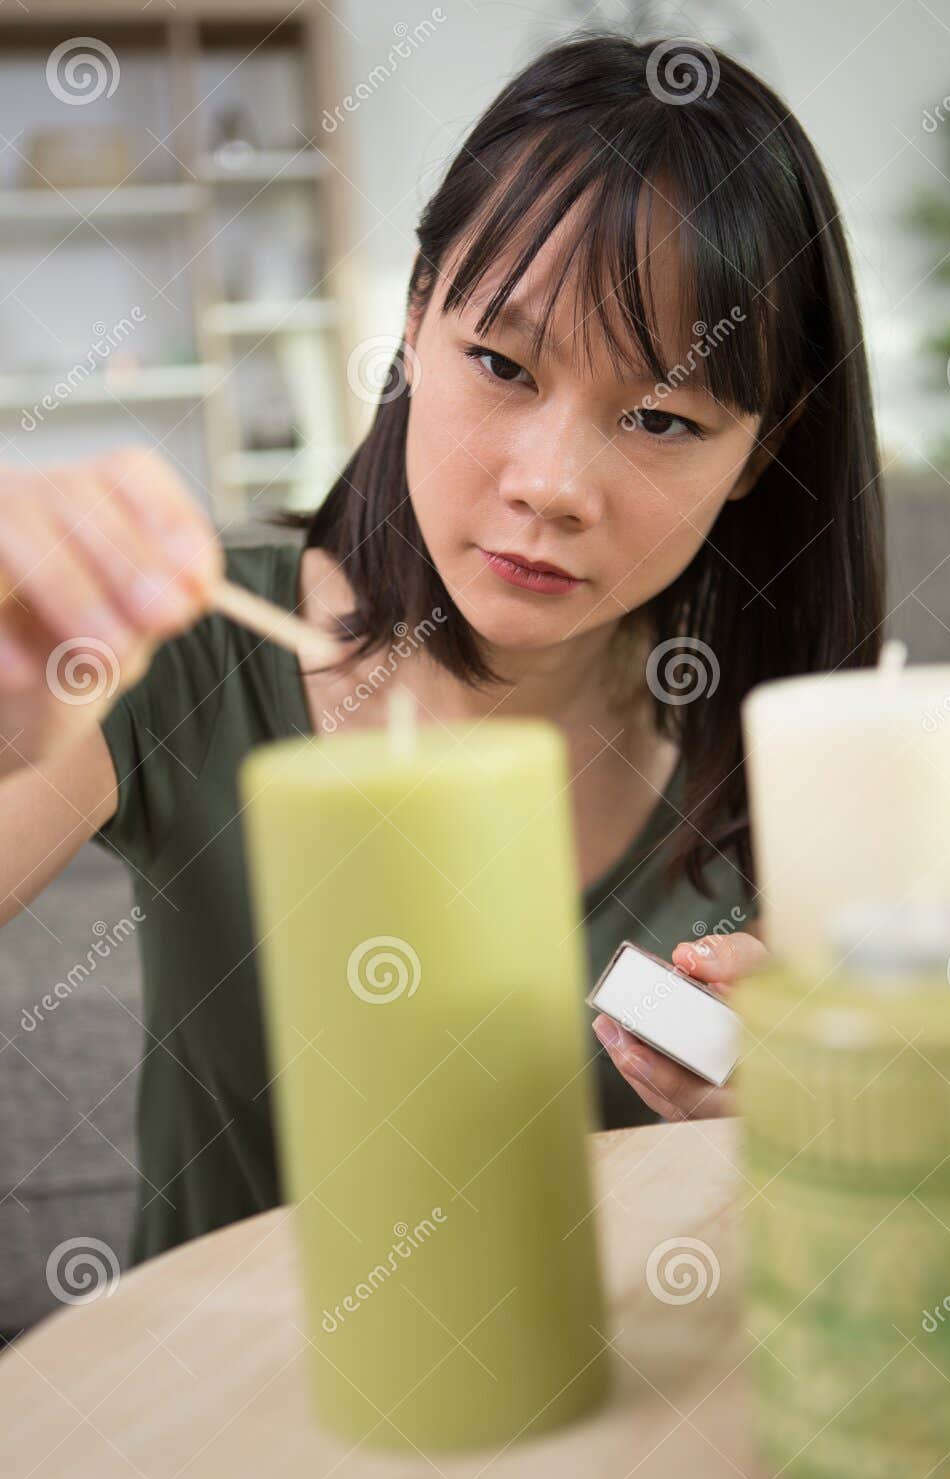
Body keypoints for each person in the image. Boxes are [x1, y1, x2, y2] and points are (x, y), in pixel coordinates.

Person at [0, 33, 885, 1264]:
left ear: (761, 449)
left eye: (660, 416)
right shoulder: (181, 647)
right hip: (214, 1437)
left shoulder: (801, 765)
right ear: (414, 320)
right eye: (500, 363)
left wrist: (817, 1146)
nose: (552, 484)